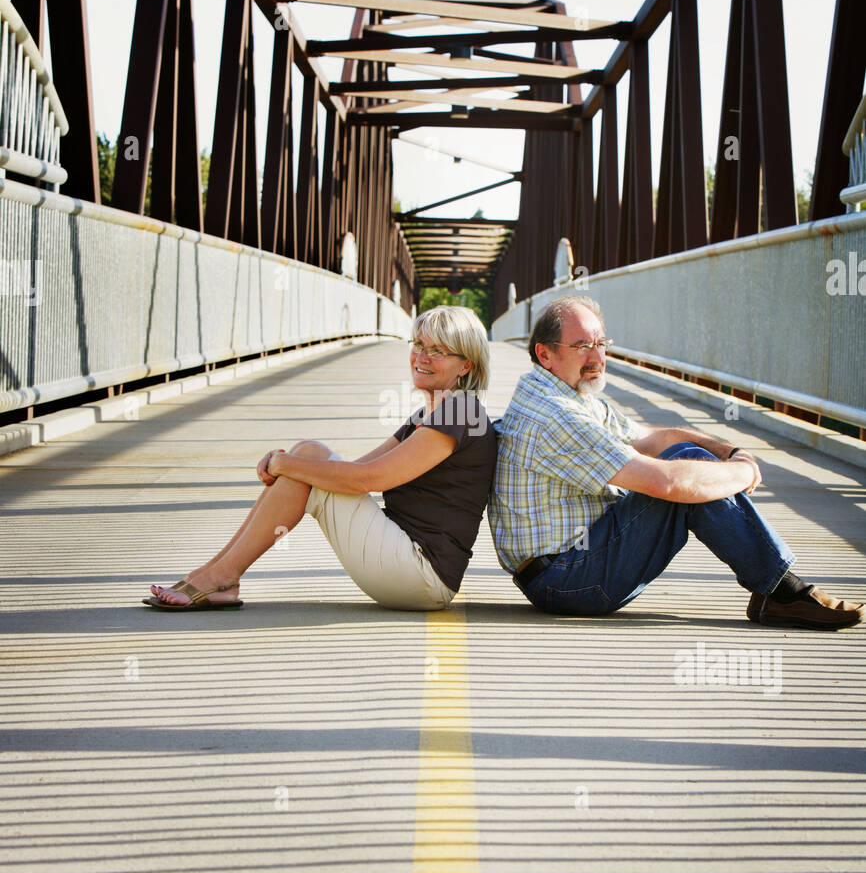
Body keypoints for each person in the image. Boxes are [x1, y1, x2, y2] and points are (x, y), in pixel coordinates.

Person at [489, 294, 863, 630]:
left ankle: (778, 590)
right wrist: (742, 471)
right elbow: (665, 484)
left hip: (569, 568)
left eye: (602, 344)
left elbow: (651, 438)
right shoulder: (556, 415)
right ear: (545, 354)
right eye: (583, 345)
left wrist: (727, 452)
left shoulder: (564, 393)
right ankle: (781, 591)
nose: (598, 358)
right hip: (568, 580)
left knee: (691, 462)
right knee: (684, 471)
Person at [143, 306, 498, 612]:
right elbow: (353, 470)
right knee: (309, 457)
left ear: (465, 365)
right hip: (404, 565)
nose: (421, 356)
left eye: (437, 350)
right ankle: (216, 573)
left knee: (306, 462)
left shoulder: (461, 412)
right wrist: (291, 464)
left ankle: (220, 578)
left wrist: (286, 466)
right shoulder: (433, 413)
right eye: (418, 344)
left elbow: (366, 480)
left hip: (422, 574)